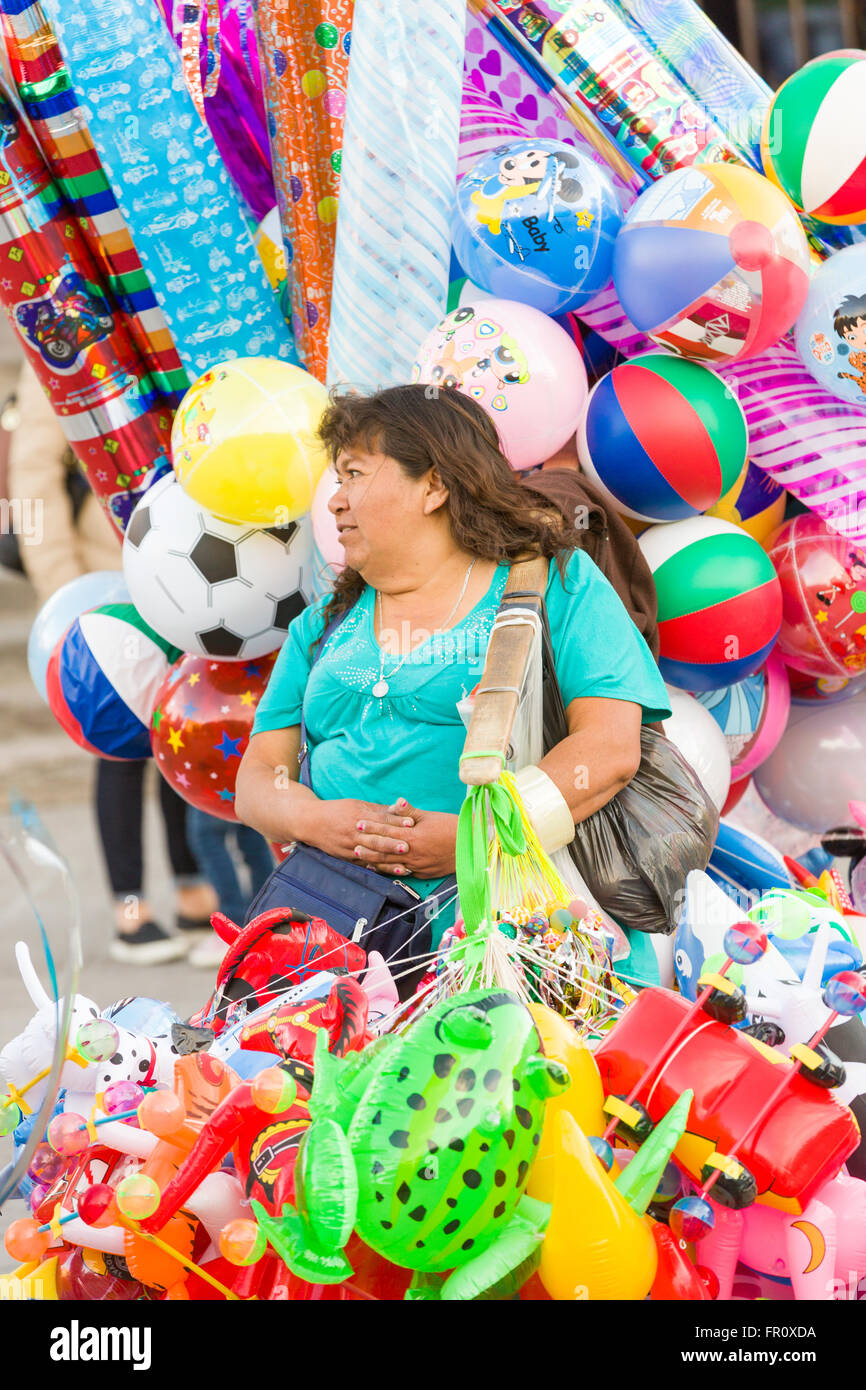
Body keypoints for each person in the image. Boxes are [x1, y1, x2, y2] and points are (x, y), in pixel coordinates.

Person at [235, 384, 671, 968]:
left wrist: (478, 840)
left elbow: (609, 750)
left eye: (355, 474)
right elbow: (260, 778)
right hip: (337, 945)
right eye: (337, 480)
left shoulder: (555, 586)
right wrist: (315, 819)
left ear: (435, 485)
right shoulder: (320, 625)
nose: (336, 501)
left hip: (522, 946)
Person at [8, 359, 218, 964]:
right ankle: (130, 906)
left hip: (193, 579)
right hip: (107, 587)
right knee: (118, 744)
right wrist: (67, 596)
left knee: (186, 725)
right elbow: (34, 479)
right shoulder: (60, 321)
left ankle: (193, 890)